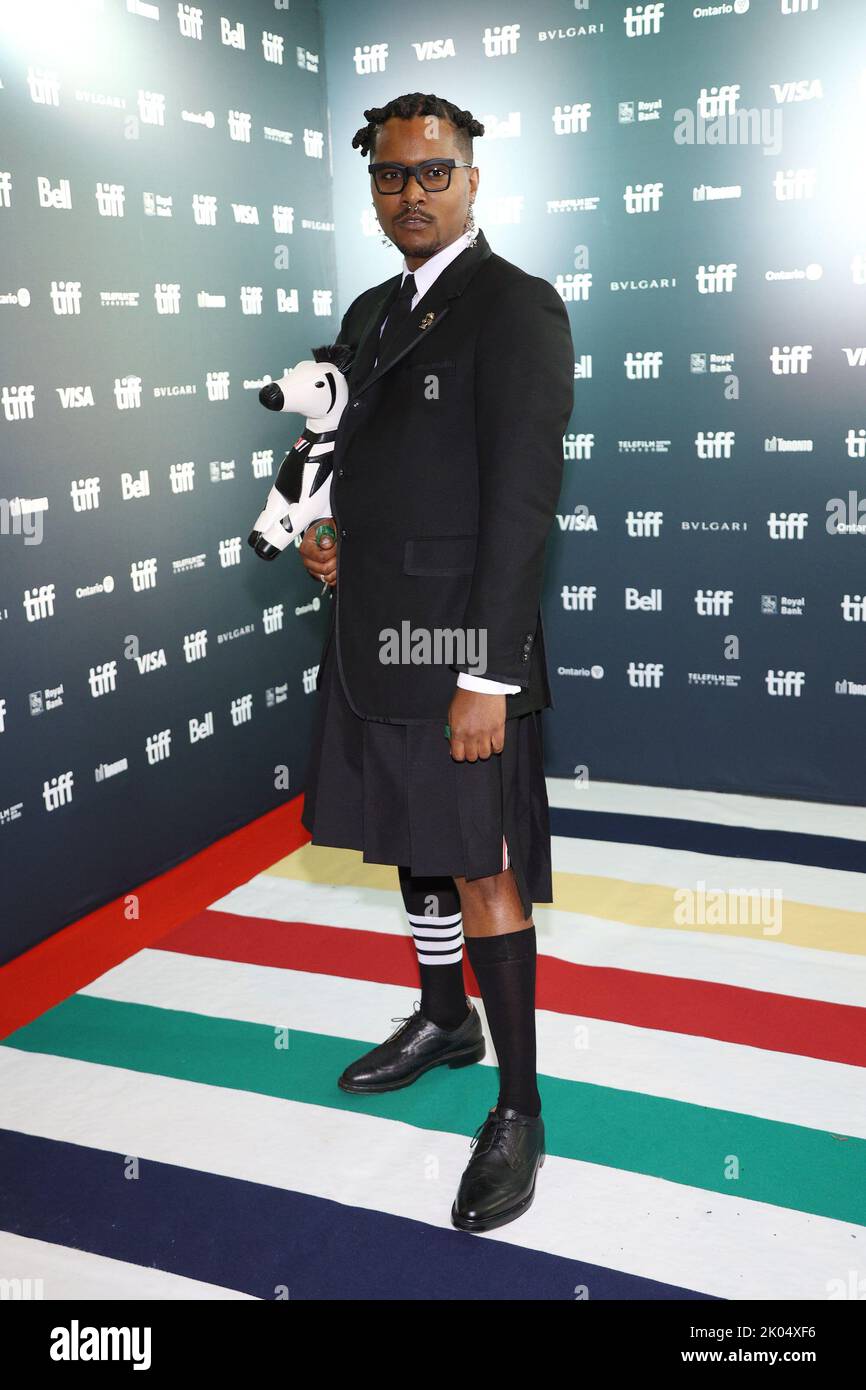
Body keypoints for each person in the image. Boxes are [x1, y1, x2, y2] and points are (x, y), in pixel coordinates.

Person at [298, 92, 574, 1233]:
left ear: (472, 178)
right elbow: (349, 450)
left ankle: (517, 1105)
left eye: (432, 172)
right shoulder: (370, 310)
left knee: (481, 865)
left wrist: (489, 676)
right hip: (371, 633)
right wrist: (328, 533)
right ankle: (439, 1017)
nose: (410, 193)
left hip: (460, 647)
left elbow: (520, 504)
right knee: (413, 842)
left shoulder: (515, 308)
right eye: (390, 176)